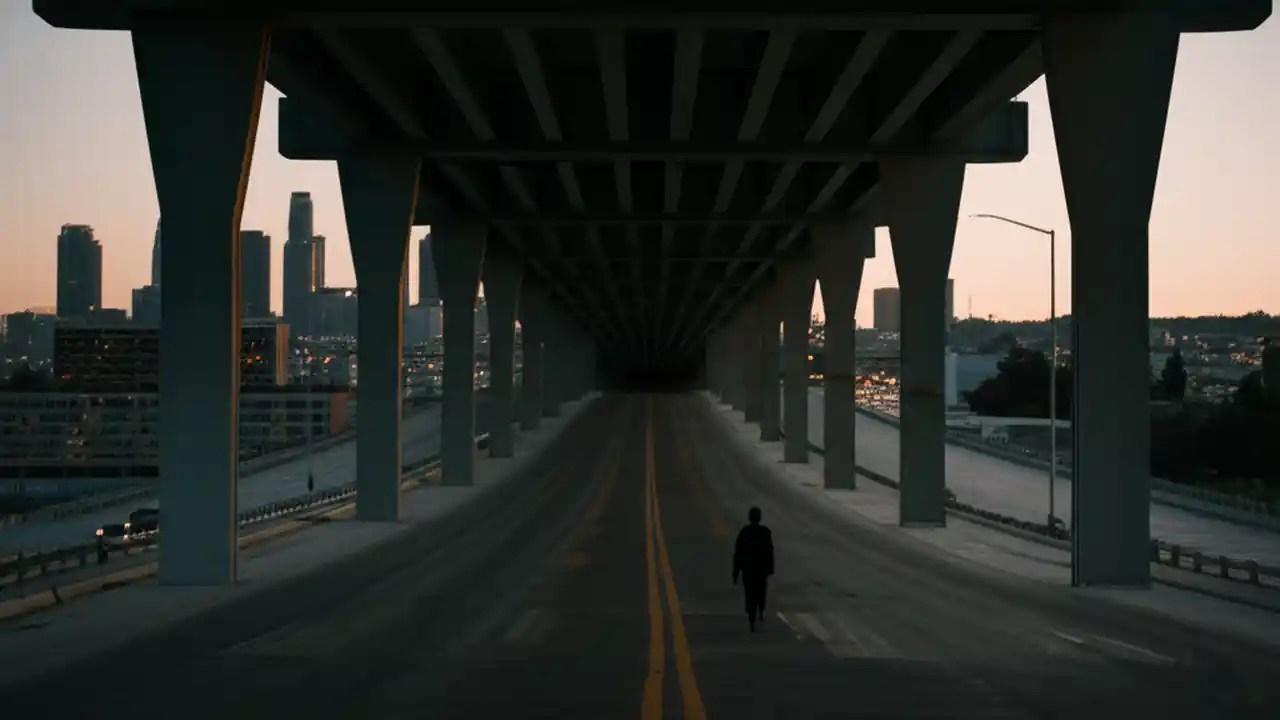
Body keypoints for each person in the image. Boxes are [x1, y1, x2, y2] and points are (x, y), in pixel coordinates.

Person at [732, 506, 774, 632]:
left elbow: (738, 554)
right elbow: (769, 552)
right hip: (761, 570)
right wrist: (770, 569)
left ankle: (752, 614)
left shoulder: (744, 532)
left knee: (749, 593)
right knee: (761, 592)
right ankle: (759, 610)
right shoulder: (765, 532)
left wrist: (735, 572)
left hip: (748, 570)